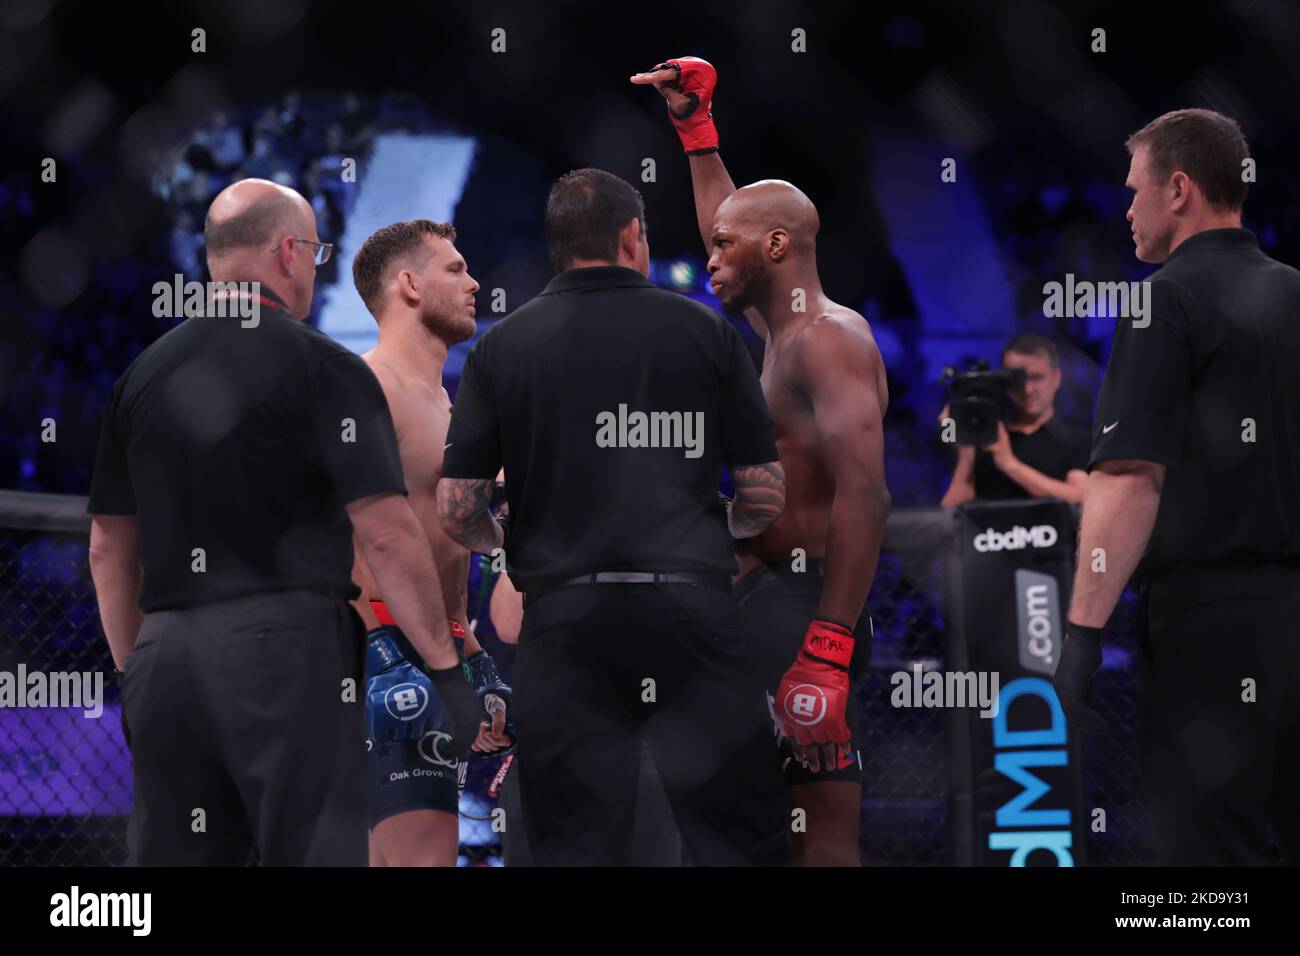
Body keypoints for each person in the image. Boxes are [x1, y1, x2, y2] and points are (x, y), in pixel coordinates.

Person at [86, 179, 479, 866]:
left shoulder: (141, 378)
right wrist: (448, 672)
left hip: (166, 656)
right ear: (289, 253)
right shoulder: (323, 367)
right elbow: (387, 534)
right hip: (284, 650)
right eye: (315, 253)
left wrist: (137, 674)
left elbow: (106, 551)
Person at [436, 167, 790, 866]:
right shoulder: (705, 332)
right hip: (690, 612)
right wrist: (713, 528)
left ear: (558, 246)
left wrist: (517, 535)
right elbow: (764, 497)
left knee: (575, 847)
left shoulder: (502, 347)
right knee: (739, 842)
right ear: (633, 238)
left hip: (567, 622)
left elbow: (457, 510)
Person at [632, 57, 890, 866]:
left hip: (809, 609)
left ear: (777, 247)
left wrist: (829, 646)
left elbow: (867, 493)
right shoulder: (782, 331)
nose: (707, 258)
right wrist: (697, 134)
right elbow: (732, 219)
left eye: (723, 247)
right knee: (759, 826)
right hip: (766, 604)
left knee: (822, 827)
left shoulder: (828, 341)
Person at [1056, 109, 1300, 865]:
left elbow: (1129, 479)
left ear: (1181, 189)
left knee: (1209, 864)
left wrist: (1082, 640)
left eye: (1135, 190)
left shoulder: (1162, 301)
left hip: (1212, 625)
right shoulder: (1295, 291)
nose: (1126, 209)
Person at [348, 219, 513, 867]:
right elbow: (352, 543)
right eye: (455, 268)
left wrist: (474, 662)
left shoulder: (444, 408)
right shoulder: (364, 389)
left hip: (435, 654)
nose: (474, 283)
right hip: (380, 660)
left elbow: (441, 560)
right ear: (409, 284)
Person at [939, 334, 1090, 506]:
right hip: (992, 532)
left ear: (1057, 378)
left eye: (1037, 377)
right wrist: (965, 452)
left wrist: (1010, 464)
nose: (1027, 389)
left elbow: (1080, 496)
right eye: (1017, 380)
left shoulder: (1077, 440)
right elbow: (950, 513)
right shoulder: (985, 437)